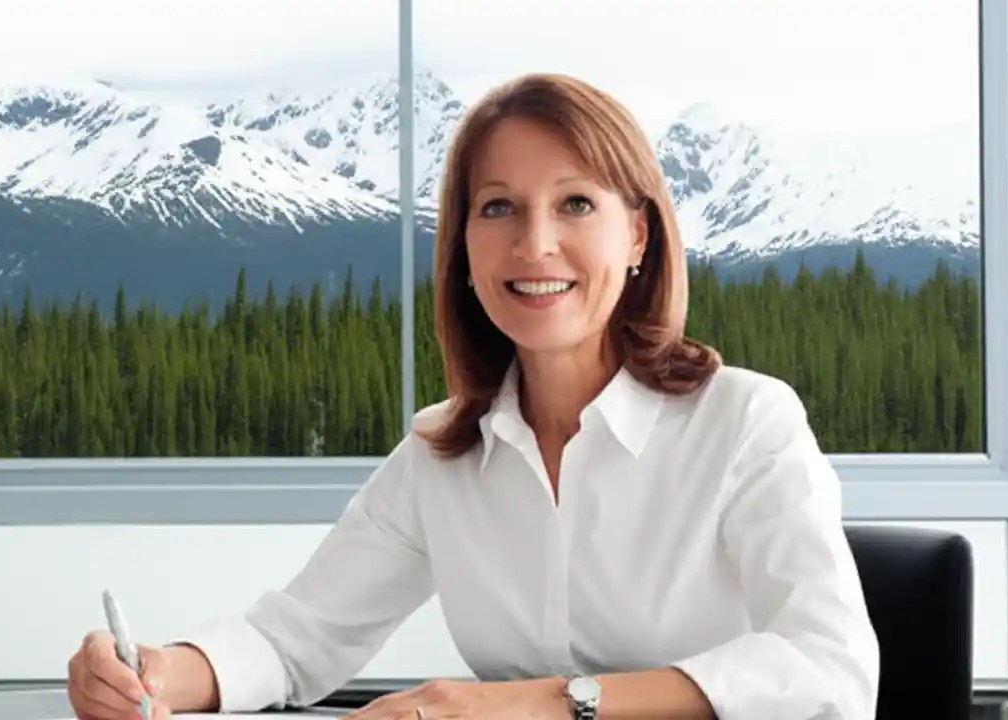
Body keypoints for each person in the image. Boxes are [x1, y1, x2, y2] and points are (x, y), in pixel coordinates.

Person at [66, 72, 880, 720]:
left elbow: (831, 671)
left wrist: (541, 704)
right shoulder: (442, 453)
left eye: (575, 204)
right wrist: (159, 672)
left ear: (638, 234)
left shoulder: (745, 422)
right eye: (498, 208)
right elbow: (292, 641)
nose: (534, 243)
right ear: (462, 244)